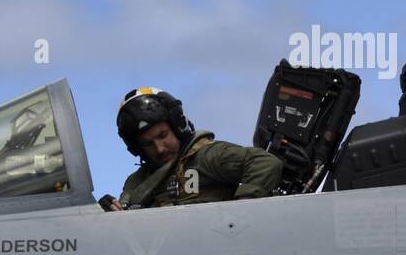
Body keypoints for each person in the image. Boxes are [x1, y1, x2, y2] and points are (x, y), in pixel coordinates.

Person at [107, 87, 283, 209]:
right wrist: (107, 213)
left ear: (177, 127)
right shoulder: (138, 183)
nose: (160, 149)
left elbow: (264, 163)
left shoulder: (207, 156)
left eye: (163, 135)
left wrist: (241, 210)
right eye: (148, 144)